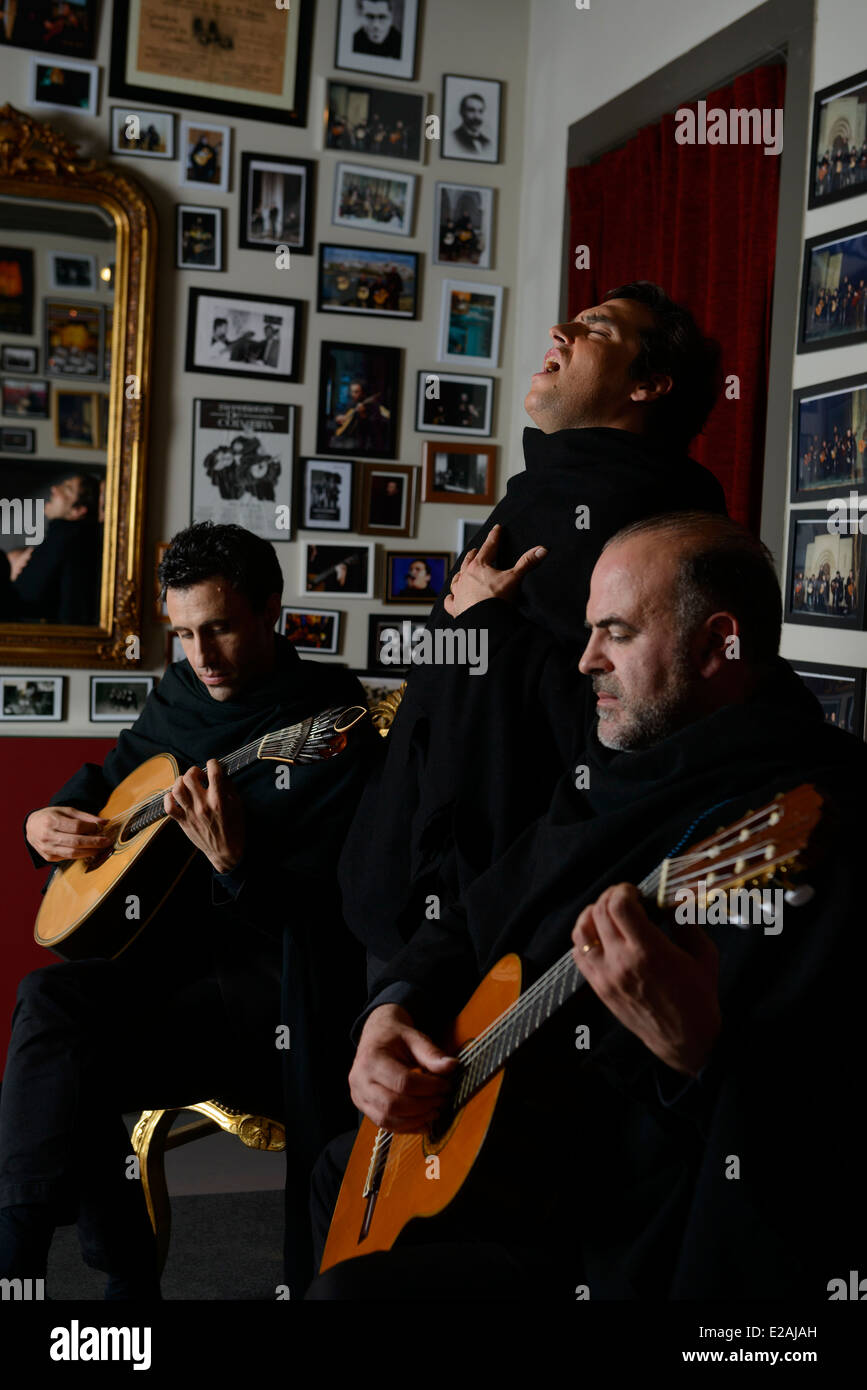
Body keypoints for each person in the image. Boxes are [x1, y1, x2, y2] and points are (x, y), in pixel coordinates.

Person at [308, 512, 866, 1300]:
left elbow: (831, 1122)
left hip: (622, 1220)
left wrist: (698, 1057)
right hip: (502, 1140)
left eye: (616, 633)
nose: (584, 661)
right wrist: (391, 1011)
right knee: (339, 1169)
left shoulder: (818, 820)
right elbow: (472, 915)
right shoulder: (616, 770)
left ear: (717, 645)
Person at [0, 523, 376, 1299]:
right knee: (50, 1000)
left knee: (82, 1059)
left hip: (272, 1009)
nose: (200, 656)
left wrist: (238, 866)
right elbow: (113, 779)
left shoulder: (331, 724)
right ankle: (21, 1258)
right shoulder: (180, 693)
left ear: (272, 608)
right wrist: (43, 826)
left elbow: (348, 910)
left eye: (220, 628)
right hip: (167, 976)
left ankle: (119, 1275)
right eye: (182, 634)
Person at [339, 281, 726, 976]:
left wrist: (488, 624)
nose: (560, 331)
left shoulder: (659, 533)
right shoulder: (549, 489)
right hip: (416, 907)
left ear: (649, 385)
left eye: (597, 330)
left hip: (506, 924)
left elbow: (624, 731)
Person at [0, 472, 101, 624]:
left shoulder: (65, 539)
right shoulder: (65, 538)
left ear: (77, 511)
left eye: (67, 489)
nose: (55, 489)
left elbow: (27, 599)